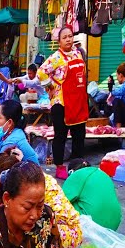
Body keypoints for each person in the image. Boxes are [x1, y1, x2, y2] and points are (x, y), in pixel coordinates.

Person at [39, 27, 89, 175]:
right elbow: (41, 72)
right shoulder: (55, 57)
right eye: (64, 37)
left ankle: (77, 166)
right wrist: (50, 87)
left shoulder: (78, 54)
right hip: (61, 103)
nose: (68, 39)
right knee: (60, 136)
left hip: (78, 101)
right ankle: (60, 167)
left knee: (79, 136)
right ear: (59, 41)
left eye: (70, 36)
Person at [61, 161, 123, 230]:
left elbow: (61, 200)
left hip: (93, 223)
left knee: (63, 206)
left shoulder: (76, 175)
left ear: (71, 172)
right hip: (113, 223)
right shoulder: (102, 174)